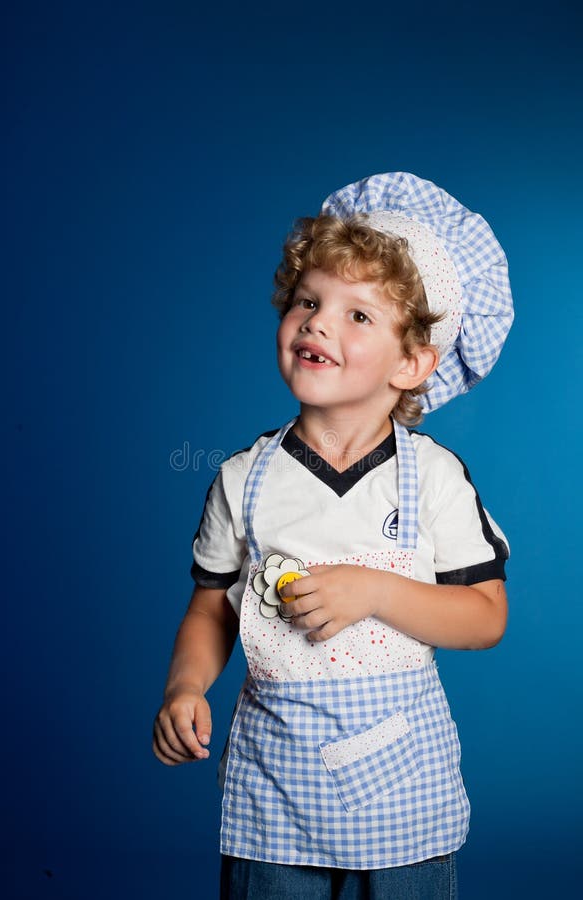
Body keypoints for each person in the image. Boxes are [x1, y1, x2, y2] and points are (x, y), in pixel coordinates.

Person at [153, 172, 514, 899]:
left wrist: (375, 590)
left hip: (404, 783)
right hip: (274, 785)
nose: (317, 323)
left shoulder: (435, 478)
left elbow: (485, 619)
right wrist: (186, 685)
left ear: (412, 363)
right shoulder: (242, 478)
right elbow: (210, 607)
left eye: (358, 316)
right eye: (309, 301)